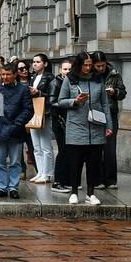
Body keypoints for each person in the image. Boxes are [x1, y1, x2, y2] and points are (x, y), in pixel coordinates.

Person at [55, 51, 113, 206]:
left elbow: (105, 104)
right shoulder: (70, 80)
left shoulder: (98, 79)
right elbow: (60, 101)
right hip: (76, 126)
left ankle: (90, 193)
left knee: (94, 163)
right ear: (79, 65)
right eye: (85, 65)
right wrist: (75, 101)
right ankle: (74, 191)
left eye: (90, 65)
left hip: (96, 126)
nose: (88, 68)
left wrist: (109, 125)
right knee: (75, 162)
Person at [0, 61, 34, 199]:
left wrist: (17, 124)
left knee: (15, 162)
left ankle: (13, 187)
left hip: (15, 130)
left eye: (8, 74)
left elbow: (28, 109)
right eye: (3, 74)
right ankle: (1, 187)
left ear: (15, 74)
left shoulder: (23, 89)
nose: (5, 77)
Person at [92, 52, 126, 190]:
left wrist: (114, 92)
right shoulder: (90, 74)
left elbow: (123, 93)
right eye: (98, 66)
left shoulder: (114, 73)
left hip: (110, 112)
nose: (100, 68)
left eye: (103, 65)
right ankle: (97, 179)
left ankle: (111, 180)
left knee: (110, 147)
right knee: (96, 147)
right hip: (94, 113)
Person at [27, 54, 56, 183]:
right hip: (33, 112)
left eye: (38, 62)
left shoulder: (50, 78)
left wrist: (38, 93)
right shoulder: (33, 77)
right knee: (36, 146)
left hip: (45, 112)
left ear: (45, 63)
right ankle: (40, 171)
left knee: (45, 145)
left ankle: (48, 173)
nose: (35, 64)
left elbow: (52, 96)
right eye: (33, 62)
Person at [49, 58, 74, 193]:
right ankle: (58, 181)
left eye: (70, 69)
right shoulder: (55, 83)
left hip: (71, 121)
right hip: (59, 121)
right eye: (65, 69)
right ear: (60, 70)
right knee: (63, 151)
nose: (67, 71)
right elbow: (52, 102)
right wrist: (70, 103)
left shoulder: (73, 82)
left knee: (70, 151)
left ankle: (68, 180)